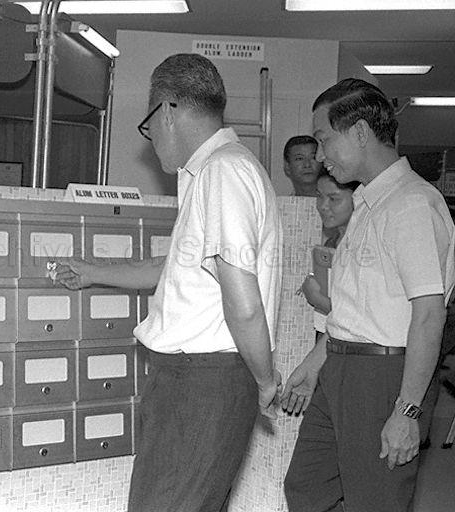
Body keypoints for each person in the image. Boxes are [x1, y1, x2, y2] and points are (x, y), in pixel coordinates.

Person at [54, 53, 282, 512]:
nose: (152, 137)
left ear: (169, 111)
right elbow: (177, 269)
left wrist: (264, 377)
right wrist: (94, 272)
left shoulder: (222, 172)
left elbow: (243, 301)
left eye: (149, 124)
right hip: (196, 380)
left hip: (203, 381)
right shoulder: (214, 172)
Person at [282, 78, 455, 512]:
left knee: (374, 502)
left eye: (324, 139)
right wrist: (315, 360)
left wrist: (408, 412)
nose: (320, 155)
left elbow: (429, 316)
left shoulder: (413, 204)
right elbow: (355, 309)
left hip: (383, 376)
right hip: (339, 366)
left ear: (359, 132)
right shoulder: (365, 205)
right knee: (306, 490)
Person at [298, 171, 359, 337]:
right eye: (319, 196)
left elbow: (364, 317)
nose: (323, 206)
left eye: (334, 199)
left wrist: (318, 301)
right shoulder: (331, 244)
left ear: (357, 199)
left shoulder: (363, 247)